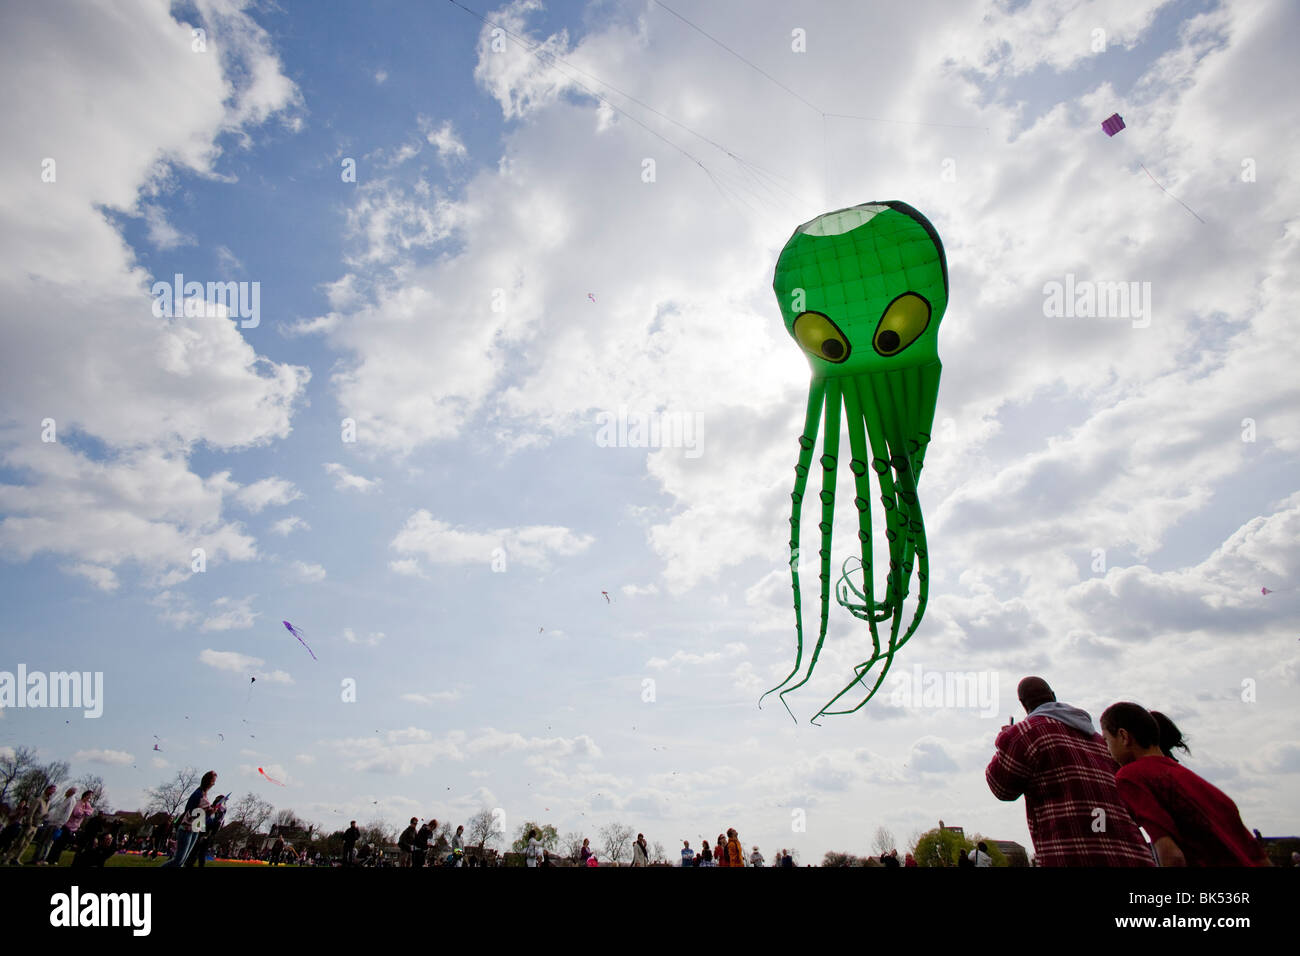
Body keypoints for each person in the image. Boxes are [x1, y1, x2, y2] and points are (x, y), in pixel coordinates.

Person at [985, 677, 1153, 867]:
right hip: (1133, 855)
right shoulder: (1102, 742)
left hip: (1071, 855)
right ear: (1054, 696)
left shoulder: (1024, 734)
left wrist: (1005, 743)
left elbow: (1002, 788)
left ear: (1023, 704)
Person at [1100, 703, 1270, 867]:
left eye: (1106, 740)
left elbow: (1172, 856)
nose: (1107, 750)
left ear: (1123, 736)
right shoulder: (1196, 782)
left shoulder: (1130, 776)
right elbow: (1260, 859)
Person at [164, 772, 217, 867]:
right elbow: (189, 810)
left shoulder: (204, 794)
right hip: (187, 829)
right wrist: (206, 811)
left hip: (195, 829)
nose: (214, 784)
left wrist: (210, 812)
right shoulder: (198, 794)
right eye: (213, 781)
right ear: (208, 781)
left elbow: (202, 816)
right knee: (178, 860)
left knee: (182, 861)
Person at [3, 785, 55, 865]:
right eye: (52, 790)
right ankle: (7, 858)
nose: (53, 792)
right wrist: (29, 823)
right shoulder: (38, 800)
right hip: (30, 824)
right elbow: (31, 812)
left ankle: (17, 858)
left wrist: (45, 816)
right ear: (47, 790)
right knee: (19, 842)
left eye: (54, 791)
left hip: (36, 825)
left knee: (26, 844)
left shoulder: (48, 802)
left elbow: (42, 813)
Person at [31, 786, 78, 866]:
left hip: (56, 824)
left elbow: (67, 814)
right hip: (51, 822)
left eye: (68, 790)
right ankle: (35, 858)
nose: (66, 792)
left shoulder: (71, 801)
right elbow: (58, 811)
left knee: (48, 842)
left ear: (72, 792)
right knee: (41, 841)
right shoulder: (66, 800)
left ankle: (42, 859)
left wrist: (60, 824)